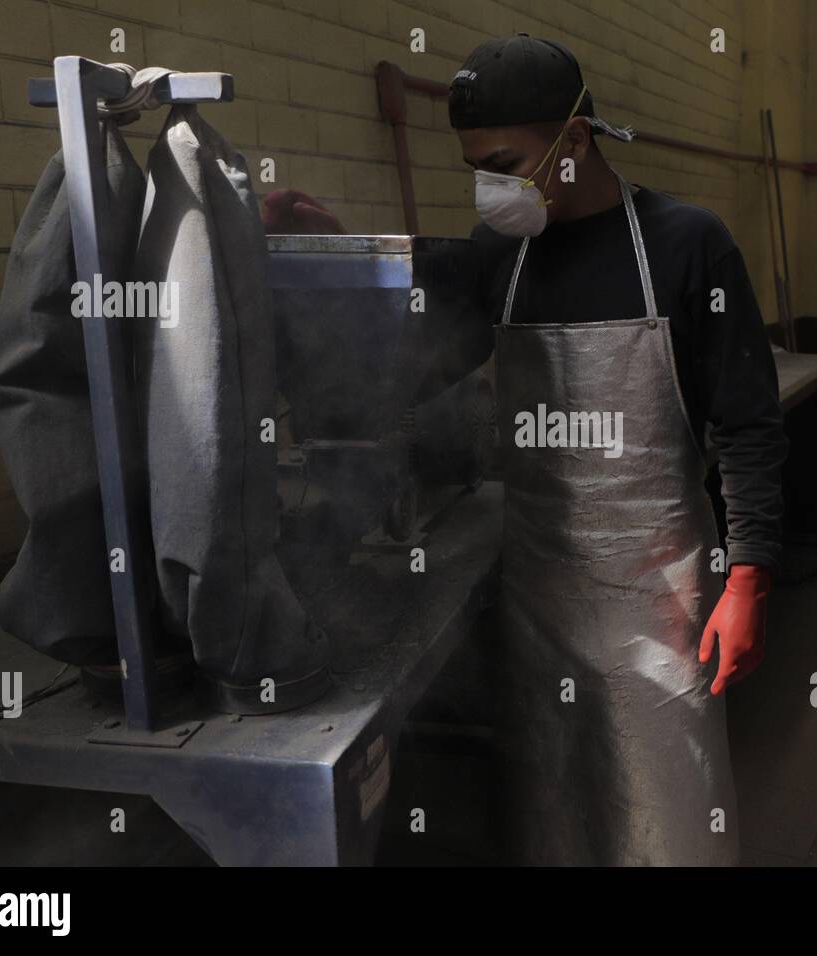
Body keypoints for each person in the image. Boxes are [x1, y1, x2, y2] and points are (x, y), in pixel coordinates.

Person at [263, 33, 786, 864]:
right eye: (477, 165)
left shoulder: (686, 245)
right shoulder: (500, 256)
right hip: (539, 589)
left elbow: (750, 422)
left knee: (669, 815)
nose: (491, 185)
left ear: (575, 140)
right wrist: (334, 263)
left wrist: (749, 573)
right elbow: (408, 371)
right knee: (559, 813)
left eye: (505, 161)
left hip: (661, 593)